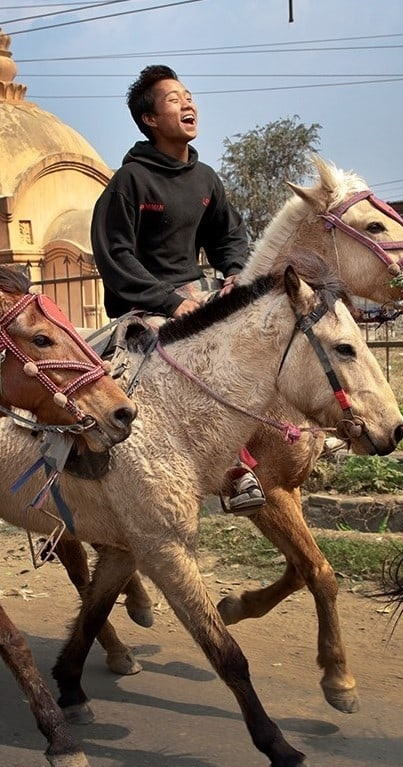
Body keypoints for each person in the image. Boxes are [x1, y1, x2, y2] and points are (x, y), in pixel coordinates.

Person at [91, 64, 264, 514]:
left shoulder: (205, 178)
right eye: (173, 99)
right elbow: (116, 255)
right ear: (150, 119)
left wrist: (233, 274)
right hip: (145, 306)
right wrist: (172, 302)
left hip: (200, 295)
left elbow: (229, 236)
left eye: (189, 95)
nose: (188, 104)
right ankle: (235, 470)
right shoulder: (129, 182)